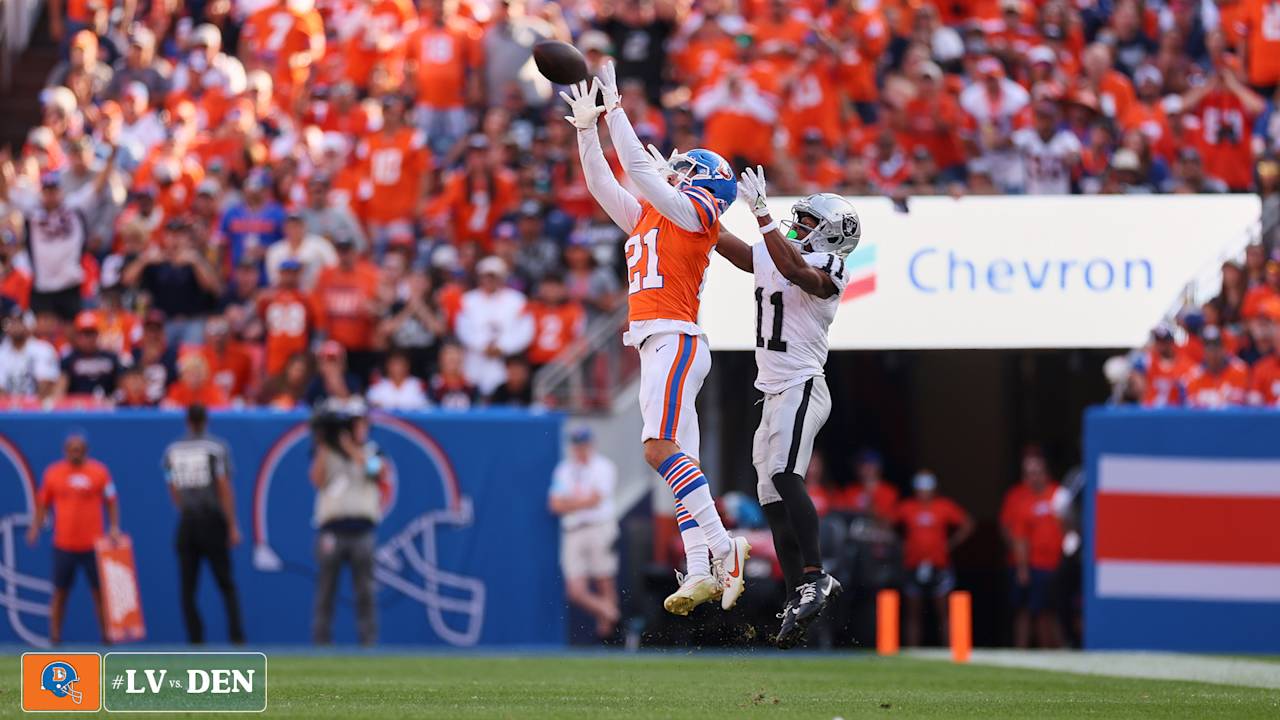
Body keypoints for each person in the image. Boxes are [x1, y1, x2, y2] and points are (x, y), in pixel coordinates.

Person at [563, 64, 749, 616]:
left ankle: (722, 547)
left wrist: (616, 109)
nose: (670, 170)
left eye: (681, 168)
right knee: (679, 457)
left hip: (674, 338)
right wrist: (585, 129)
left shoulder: (696, 216)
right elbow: (603, 182)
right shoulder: (651, 215)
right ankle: (698, 570)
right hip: (658, 342)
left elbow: (642, 169)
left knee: (657, 449)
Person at [714, 168, 861, 647]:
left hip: (802, 385)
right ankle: (800, 589)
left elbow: (799, 272)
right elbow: (732, 248)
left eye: (806, 221)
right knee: (772, 498)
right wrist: (690, 204)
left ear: (831, 232)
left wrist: (761, 213)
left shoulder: (830, 266)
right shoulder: (780, 250)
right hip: (773, 391)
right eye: (795, 219)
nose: (797, 225)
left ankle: (818, 575)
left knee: (785, 477)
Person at [26, 432, 121, 644]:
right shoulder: (53, 473)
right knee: (60, 592)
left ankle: (107, 636)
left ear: (85, 451)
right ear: (65, 451)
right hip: (64, 544)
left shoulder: (99, 472)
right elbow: (43, 503)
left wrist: (114, 527)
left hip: (93, 544)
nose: (75, 453)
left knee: (99, 592)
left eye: (79, 449)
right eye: (72, 449)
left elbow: (112, 500)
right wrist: (35, 527)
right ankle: (55, 637)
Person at [162, 404, 246, 644]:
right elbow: (223, 486)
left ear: (187, 421)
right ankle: (236, 637)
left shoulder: (173, 450)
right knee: (226, 583)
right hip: (211, 519)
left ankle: (195, 641)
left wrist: (182, 509)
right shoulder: (215, 448)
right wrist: (232, 524)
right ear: (206, 420)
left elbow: (172, 486)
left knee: (188, 588)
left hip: (188, 520)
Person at [310, 401, 383, 645]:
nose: (362, 428)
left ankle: (368, 642)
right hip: (332, 530)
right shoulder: (329, 452)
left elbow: (377, 472)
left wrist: (351, 448)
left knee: (365, 591)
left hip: (362, 530)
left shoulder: (371, 451)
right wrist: (324, 444)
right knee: (325, 590)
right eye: (356, 424)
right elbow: (317, 480)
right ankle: (321, 641)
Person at [548, 427, 620, 639]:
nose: (580, 449)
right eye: (577, 444)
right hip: (573, 531)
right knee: (575, 590)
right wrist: (582, 503)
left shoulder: (603, 467)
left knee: (604, 579)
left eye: (584, 444)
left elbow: (595, 500)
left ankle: (607, 632)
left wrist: (570, 503)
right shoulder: (564, 469)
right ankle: (611, 614)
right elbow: (554, 505)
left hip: (599, 526)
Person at [894, 471, 974, 647]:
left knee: (943, 611)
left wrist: (950, 544)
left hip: (939, 564)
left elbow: (967, 523)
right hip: (913, 564)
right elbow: (889, 523)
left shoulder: (943, 506)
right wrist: (901, 544)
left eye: (927, 489)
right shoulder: (907, 507)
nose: (924, 493)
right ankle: (912, 651)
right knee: (913, 612)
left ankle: (949, 649)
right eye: (921, 489)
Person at [455, 256, 534, 395]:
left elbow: (526, 331)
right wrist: (482, 345)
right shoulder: (468, 299)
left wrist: (503, 347)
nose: (489, 280)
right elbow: (463, 328)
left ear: (502, 278)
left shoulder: (517, 300)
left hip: (507, 362)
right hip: (475, 360)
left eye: (494, 276)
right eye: (486, 276)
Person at [1007, 453, 1063, 648]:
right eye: (1030, 474)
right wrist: (1022, 568)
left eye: (1038, 473)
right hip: (1037, 564)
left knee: (1055, 611)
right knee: (1036, 611)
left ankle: (1060, 649)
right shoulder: (1023, 503)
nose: (1034, 477)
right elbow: (1020, 538)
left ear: (1046, 473)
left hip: (1060, 563)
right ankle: (1035, 650)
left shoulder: (1059, 495)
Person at [0, 308, 61, 401]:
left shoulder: (43, 349)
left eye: (20, 322)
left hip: (36, 409)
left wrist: (31, 407)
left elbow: (46, 383)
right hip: (8, 410)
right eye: (12, 322)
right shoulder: (2, 351)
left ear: (30, 325)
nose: (16, 326)